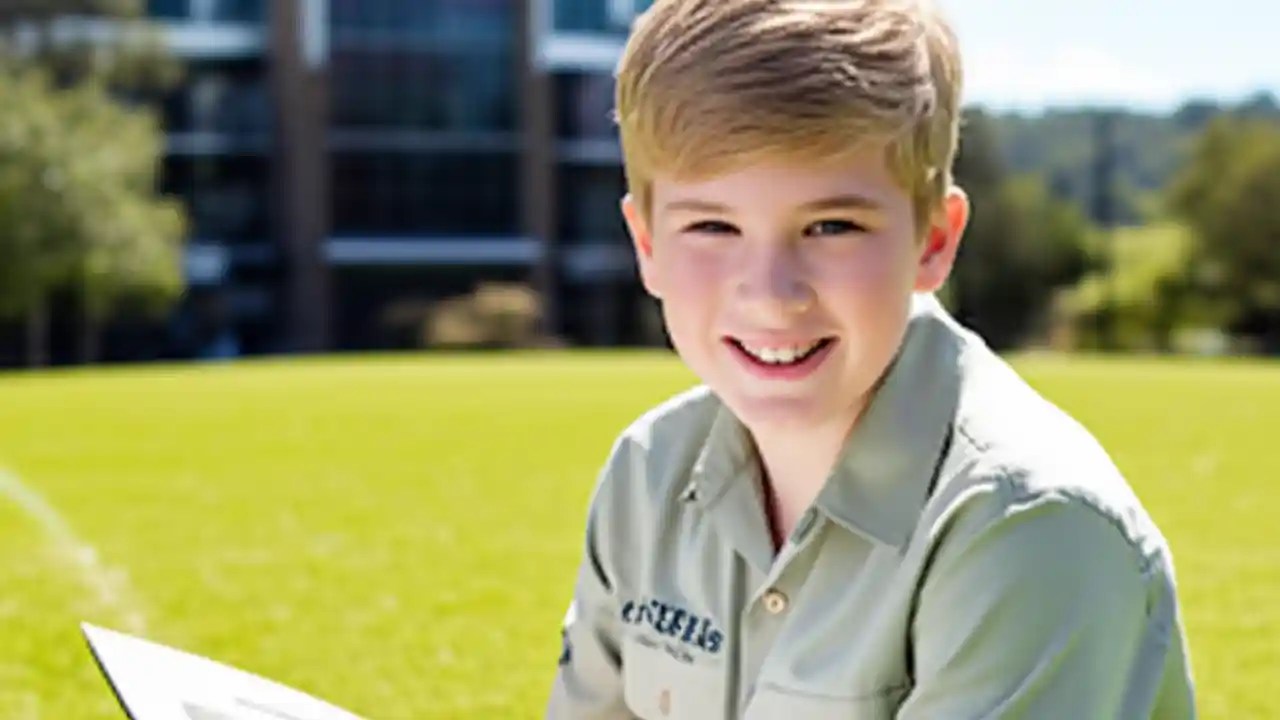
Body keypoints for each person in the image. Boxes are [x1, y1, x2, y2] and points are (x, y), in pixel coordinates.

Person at [546, 1, 1197, 717]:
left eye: (832, 226)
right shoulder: (648, 474)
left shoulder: (1030, 527)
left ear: (933, 239)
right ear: (647, 245)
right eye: (712, 225)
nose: (770, 295)